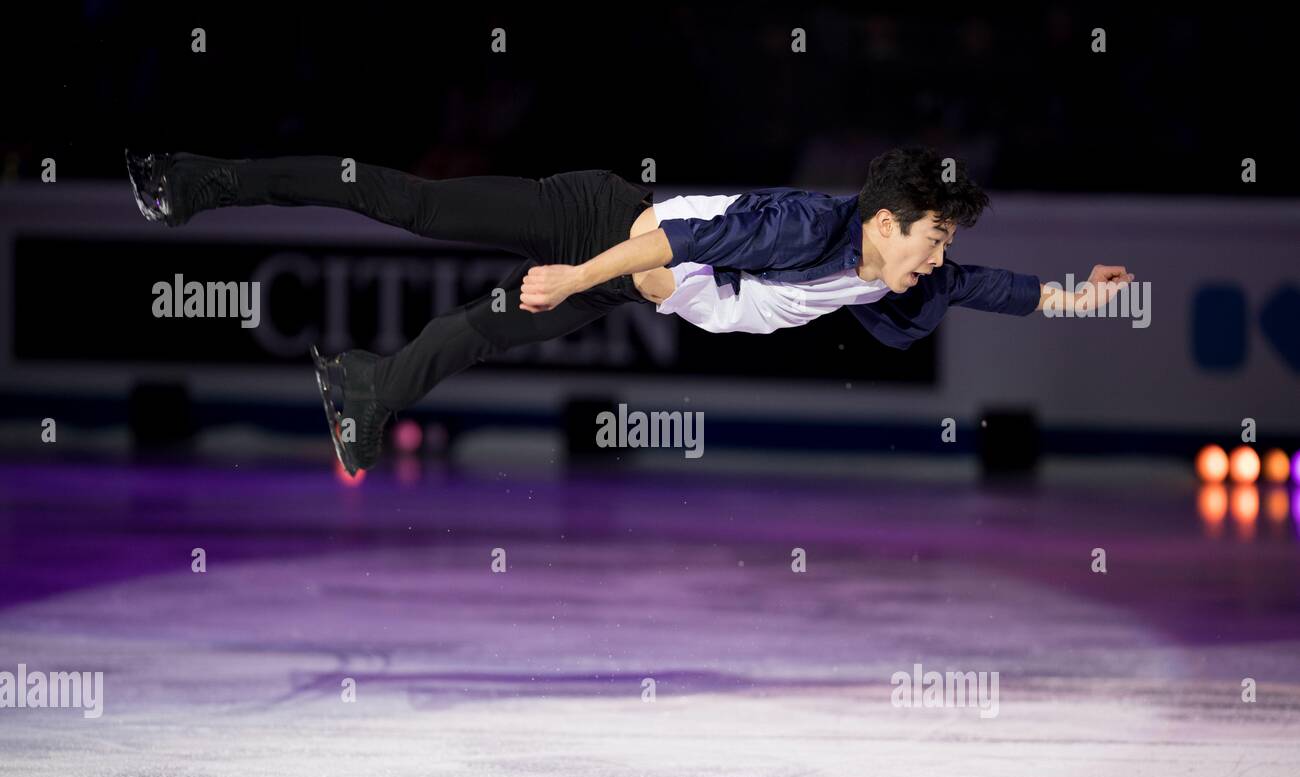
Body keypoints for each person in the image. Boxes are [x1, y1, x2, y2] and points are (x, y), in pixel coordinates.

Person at [125, 146, 1132, 474]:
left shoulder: (892, 273)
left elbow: (994, 287)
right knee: (409, 202)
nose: (940, 256)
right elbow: (675, 241)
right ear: (886, 217)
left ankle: (363, 387)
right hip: (601, 223)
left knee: (481, 329)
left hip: (621, 269)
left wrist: (1077, 297)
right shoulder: (802, 228)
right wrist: (572, 272)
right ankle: (189, 182)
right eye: (935, 236)